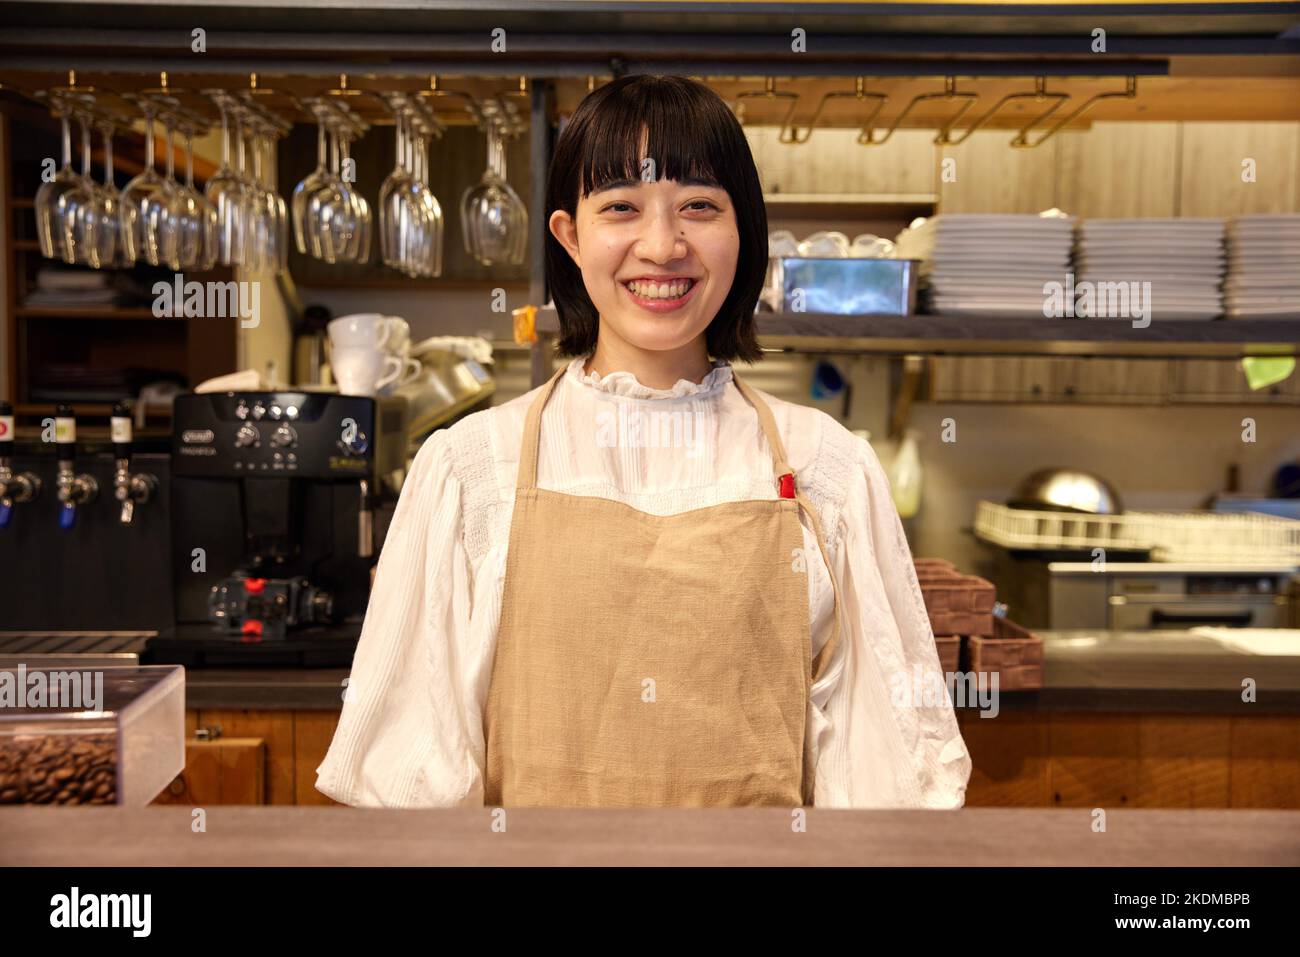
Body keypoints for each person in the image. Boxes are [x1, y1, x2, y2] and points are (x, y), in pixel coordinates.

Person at [316, 74, 971, 808]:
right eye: (621, 207)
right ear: (569, 235)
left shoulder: (827, 470)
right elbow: (409, 792)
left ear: (742, 232)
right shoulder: (471, 469)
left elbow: (887, 784)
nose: (662, 246)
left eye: (699, 206)